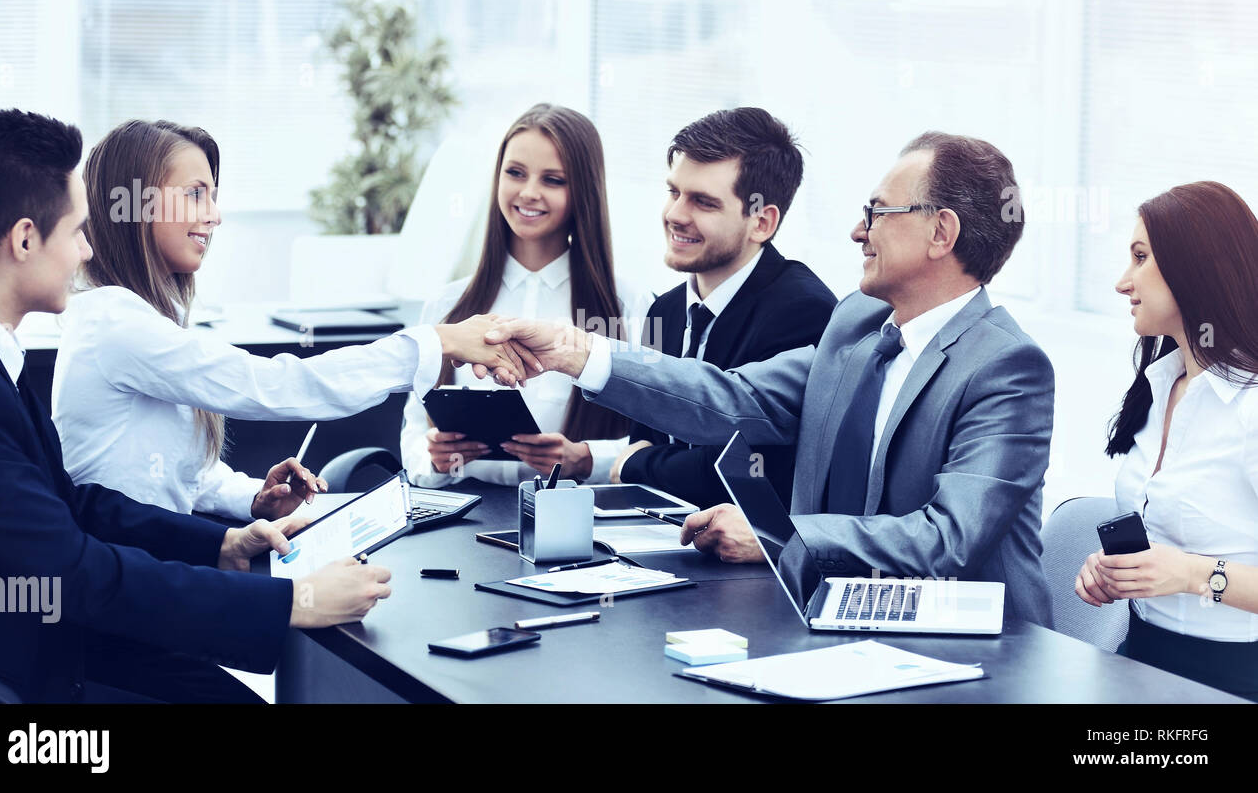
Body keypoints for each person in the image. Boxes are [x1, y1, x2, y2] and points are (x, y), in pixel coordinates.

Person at [489, 131, 1056, 626]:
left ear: (941, 233)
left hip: (974, 649)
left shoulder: (1007, 368)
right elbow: (736, 398)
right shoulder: (857, 324)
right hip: (829, 616)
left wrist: (778, 534)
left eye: (878, 212)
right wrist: (577, 352)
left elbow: (946, 541)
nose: (859, 230)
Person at [0, 109, 399, 703]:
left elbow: (74, 505)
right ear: (25, 239)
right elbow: (69, 572)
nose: (86, 249)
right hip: (39, 675)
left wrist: (220, 544)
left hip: (66, 638)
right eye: (77, 232)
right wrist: (296, 600)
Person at [52, 119, 526, 523]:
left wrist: (255, 498)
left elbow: (173, 474)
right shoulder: (115, 323)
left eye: (214, 196)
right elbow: (274, 385)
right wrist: (435, 342)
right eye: (196, 194)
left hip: (150, 564)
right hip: (126, 585)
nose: (214, 216)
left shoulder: (143, 318)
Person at [399, 103, 652, 487]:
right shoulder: (447, 304)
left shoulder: (627, 305)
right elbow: (413, 435)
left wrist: (584, 459)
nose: (529, 192)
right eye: (515, 173)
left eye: (553, 180)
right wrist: (433, 458)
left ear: (583, 189)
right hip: (464, 523)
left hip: (574, 524)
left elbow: (658, 445)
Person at [1074, 181, 1258, 701]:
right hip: (1137, 661)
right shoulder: (1160, 386)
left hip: (1230, 681)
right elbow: (1165, 544)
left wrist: (1193, 575)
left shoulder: (1251, 410)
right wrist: (1116, 573)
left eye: (1140, 258)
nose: (1121, 282)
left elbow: (1188, 568)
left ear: (1194, 268)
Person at [607, 108, 836, 508]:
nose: (675, 215)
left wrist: (635, 465)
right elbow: (644, 437)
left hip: (742, 561)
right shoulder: (665, 310)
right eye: (674, 192)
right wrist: (648, 461)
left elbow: (752, 474)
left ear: (761, 222)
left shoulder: (805, 313)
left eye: (703, 203)